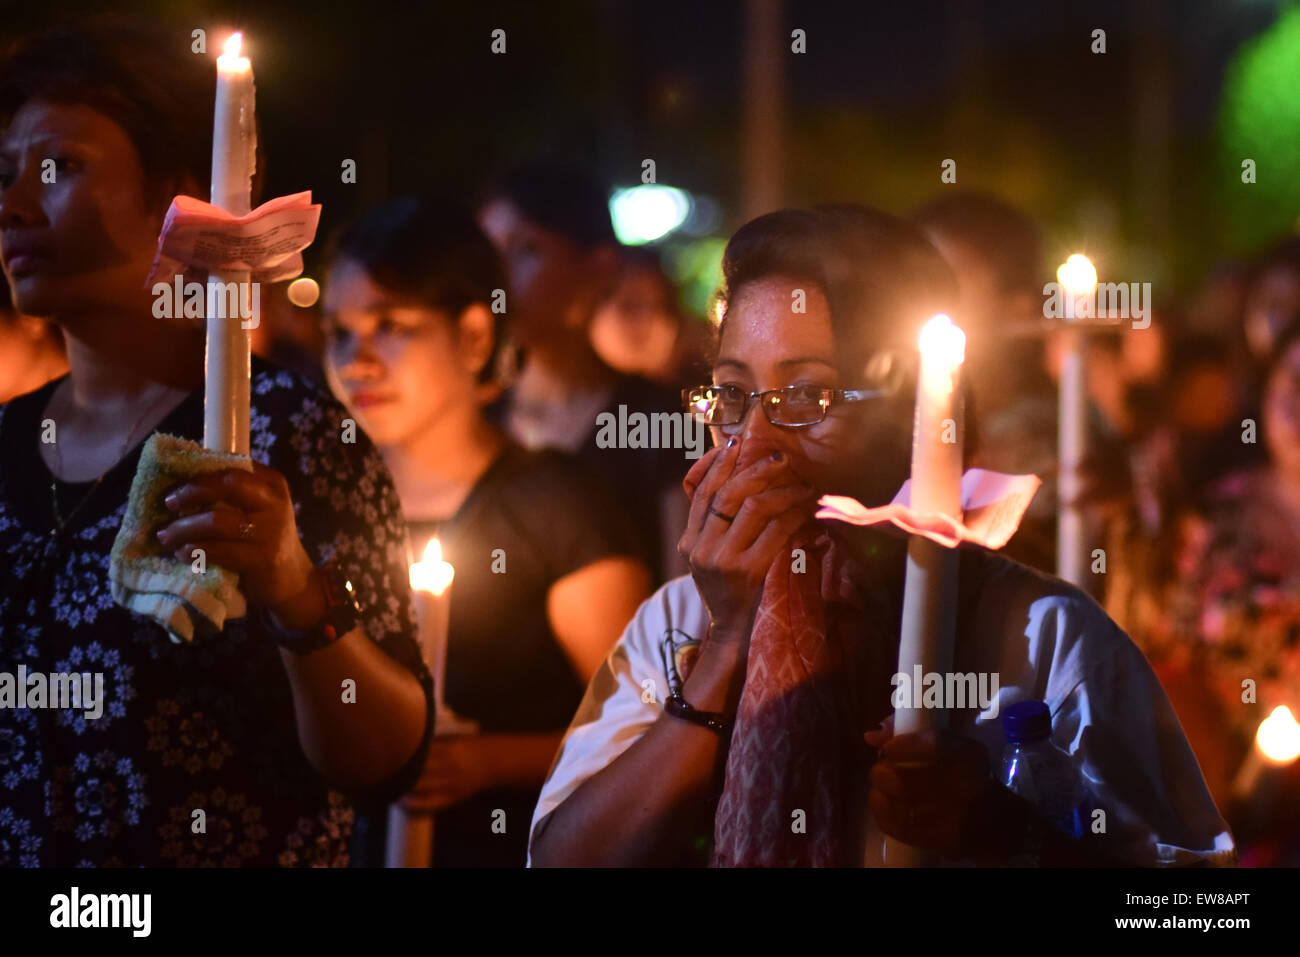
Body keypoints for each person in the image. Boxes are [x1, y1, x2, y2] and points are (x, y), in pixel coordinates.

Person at [527, 205, 1234, 867]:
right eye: (733, 394)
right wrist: (723, 653)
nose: (755, 442)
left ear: (911, 417)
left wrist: (1000, 828)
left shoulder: (1044, 640)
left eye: (805, 396)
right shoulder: (680, 622)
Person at [0, 22, 431, 866]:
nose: (13, 203)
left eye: (58, 167)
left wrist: (294, 589)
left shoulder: (293, 436)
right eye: (4, 172)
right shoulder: (10, 437)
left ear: (185, 195)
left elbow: (384, 757)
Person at [322, 196, 652, 866]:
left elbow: (642, 723)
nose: (357, 361)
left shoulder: (556, 505)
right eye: (338, 332)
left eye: (391, 326)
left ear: (474, 336)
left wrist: (488, 760)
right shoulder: (323, 501)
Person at [477, 161, 688, 582]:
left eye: (527, 251)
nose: (498, 278)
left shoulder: (661, 422)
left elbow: (683, 594)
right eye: (488, 254)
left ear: (599, 268)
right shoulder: (475, 413)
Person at [1156, 319, 1300, 864]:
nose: (1296, 407)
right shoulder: (1214, 517)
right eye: (1290, 382)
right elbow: (1172, 659)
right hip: (1226, 790)